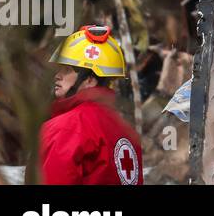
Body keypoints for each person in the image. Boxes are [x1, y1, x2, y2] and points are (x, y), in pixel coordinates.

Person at [40, 25, 143, 185]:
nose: (57, 76)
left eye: (67, 70)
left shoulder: (66, 128)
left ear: (89, 80)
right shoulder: (125, 130)